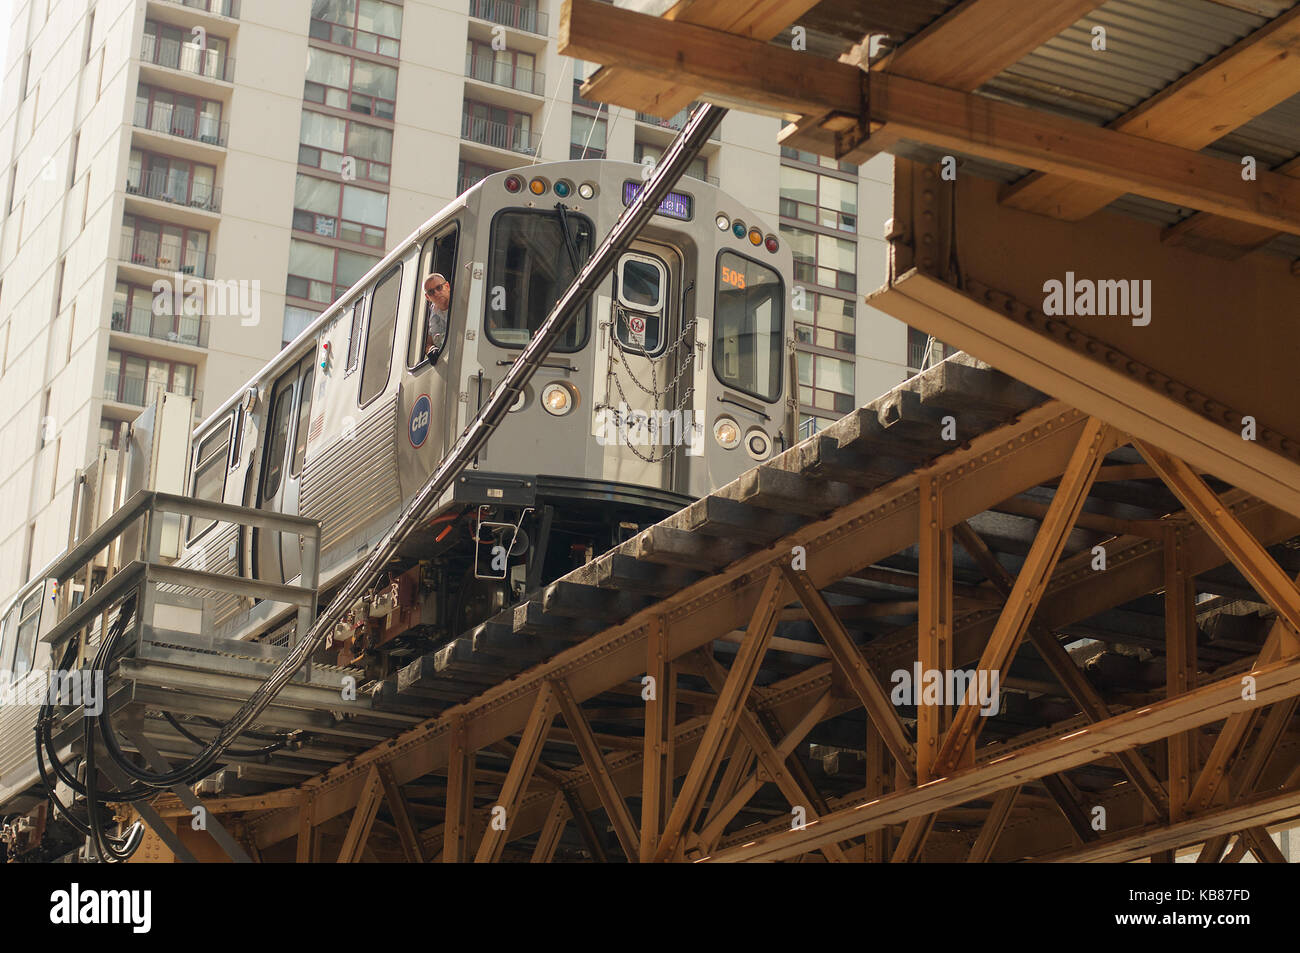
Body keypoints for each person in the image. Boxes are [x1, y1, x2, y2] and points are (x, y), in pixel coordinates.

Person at [423, 273, 451, 362]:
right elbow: (427, 343)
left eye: (439, 288)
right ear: (427, 297)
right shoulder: (428, 314)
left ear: (447, 286)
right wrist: (431, 350)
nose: (436, 293)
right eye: (431, 292)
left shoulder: (464, 305)